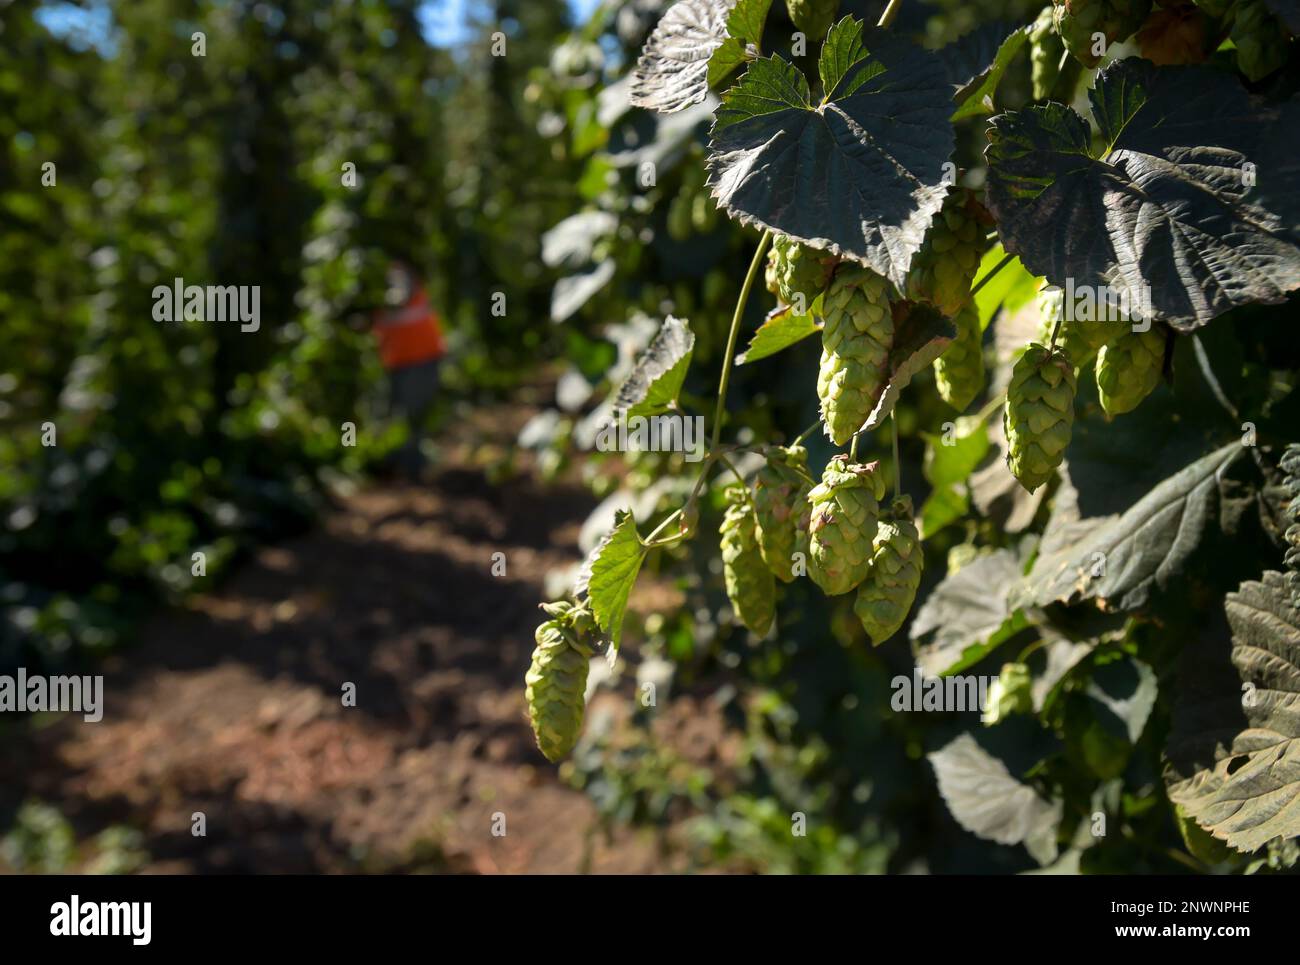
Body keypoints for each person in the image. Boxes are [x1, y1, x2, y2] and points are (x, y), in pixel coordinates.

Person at [372, 260, 446, 479]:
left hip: (422, 361)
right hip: (397, 363)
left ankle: (413, 465)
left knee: (413, 414)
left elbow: (400, 305)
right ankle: (393, 461)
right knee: (393, 414)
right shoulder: (384, 306)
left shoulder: (415, 301)